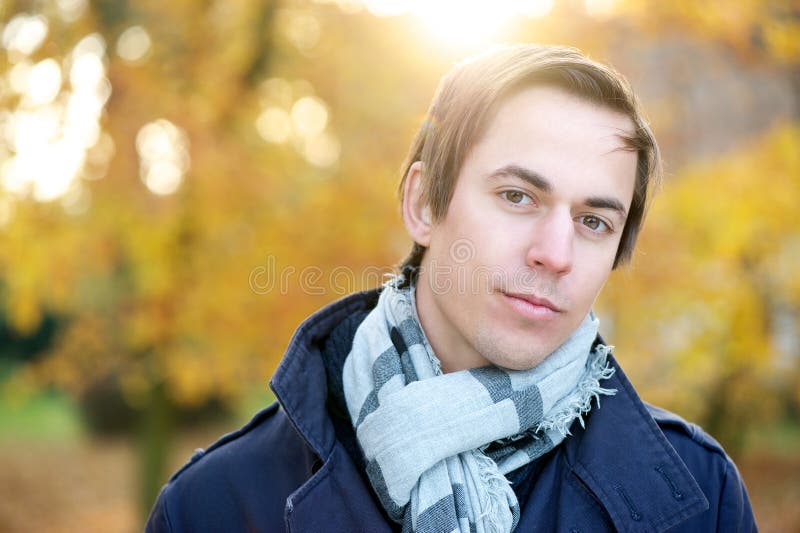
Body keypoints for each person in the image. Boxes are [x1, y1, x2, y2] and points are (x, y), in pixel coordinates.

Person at [146, 45, 756, 532]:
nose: (555, 254)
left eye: (594, 221)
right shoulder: (216, 506)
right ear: (423, 204)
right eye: (518, 196)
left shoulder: (701, 498)